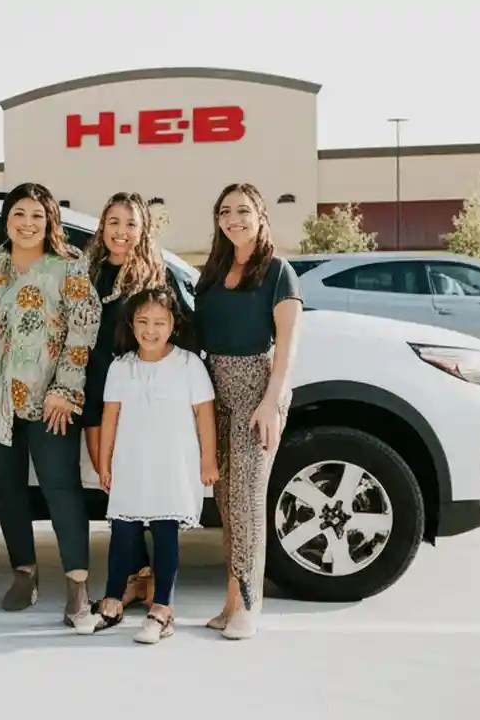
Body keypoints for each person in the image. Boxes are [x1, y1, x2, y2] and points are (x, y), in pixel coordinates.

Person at [0, 181, 102, 633]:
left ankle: (77, 586)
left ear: (50, 220)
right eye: (19, 214)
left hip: (51, 399)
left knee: (60, 488)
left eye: (37, 215)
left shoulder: (69, 268)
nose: (28, 223)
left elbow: (82, 332)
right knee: (6, 489)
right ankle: (24, 573)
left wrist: (65, 389)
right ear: (7, 220)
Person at [192, 182, 303, 640]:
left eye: (242, 210)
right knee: (225, 502)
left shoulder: (278, 272)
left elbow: (287, 348)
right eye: (224, 212)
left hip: (258, 393)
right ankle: (231, 602)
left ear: (260, 215)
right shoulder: (213, 271)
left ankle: (250, 609)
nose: (233, 219)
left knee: (249, 503)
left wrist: (271, 403)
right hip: (215, 391)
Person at [76, 191, 193, 611]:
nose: (120, 232)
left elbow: (176, 333)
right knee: (116, 484)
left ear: (142, 230)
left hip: (139, 393)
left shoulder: (153, 277)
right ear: (102, 226)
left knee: (146, 482)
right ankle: (137, 575)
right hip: (95, 388)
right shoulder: (87, 270)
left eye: (130, 224)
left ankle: (152, 585)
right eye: (113, 222)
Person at [83, 288, 218, 642]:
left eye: (159, 322)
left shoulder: (189, 364)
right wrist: (105, 461)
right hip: (132, 462)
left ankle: (163, 607)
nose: (150, 330)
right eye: (142, 321)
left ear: (173, 324)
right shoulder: (121, 367)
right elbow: (110, 415)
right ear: (131, 324)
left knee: (165, 531)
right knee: (123, 531)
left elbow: (204, 413)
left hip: (172, 463)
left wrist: (208, 459)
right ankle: (112, 599)